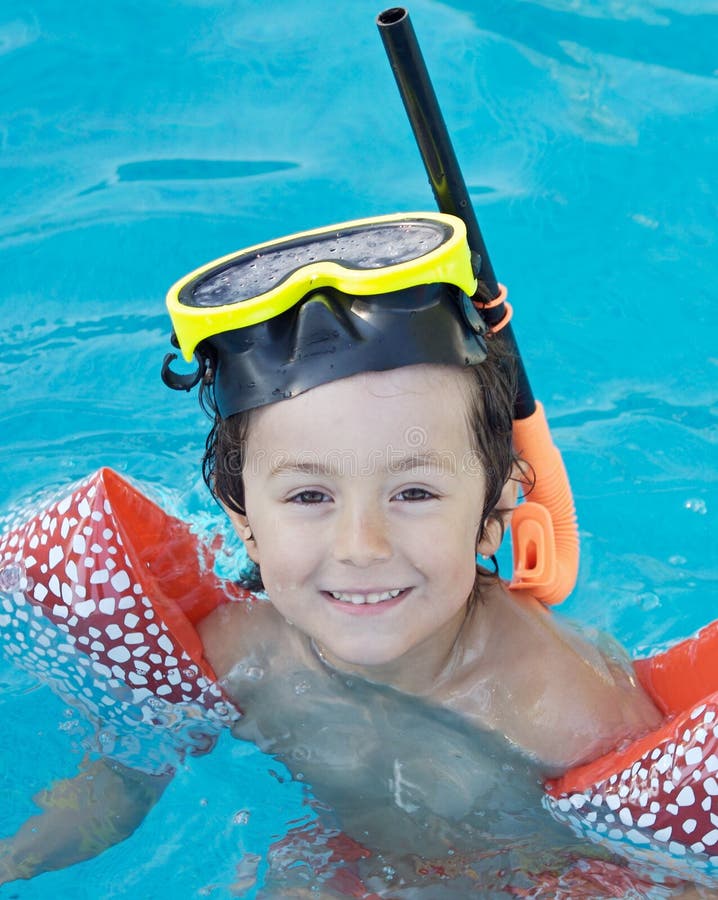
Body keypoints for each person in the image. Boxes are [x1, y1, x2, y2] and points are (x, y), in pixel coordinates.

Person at [0, 212, 689, 896]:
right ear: (246, 526)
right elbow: (118, 784)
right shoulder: (239, 656)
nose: (362, 547)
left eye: (414, 492)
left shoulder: (569, 719)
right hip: (339, 862)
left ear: (494, 515)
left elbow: (671, 874)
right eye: (308, 498)